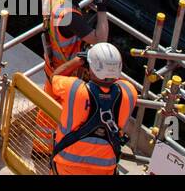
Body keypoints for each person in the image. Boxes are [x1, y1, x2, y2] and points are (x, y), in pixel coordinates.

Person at [35, 0, 110, 151]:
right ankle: (50, 150)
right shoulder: (69, 15)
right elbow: (100, 40)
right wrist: (102, 10)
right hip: (66, 73)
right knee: (63, 116)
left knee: (46, 112)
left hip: (52, 66)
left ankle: (39, 149)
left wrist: (82, 3)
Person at [48, 42, 137, 175]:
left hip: (67, 166)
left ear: (91, 67)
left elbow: (54, 77)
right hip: (105, 168)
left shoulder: (74, 88)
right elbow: (118, 81)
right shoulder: (129, 92)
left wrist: (79, 60)